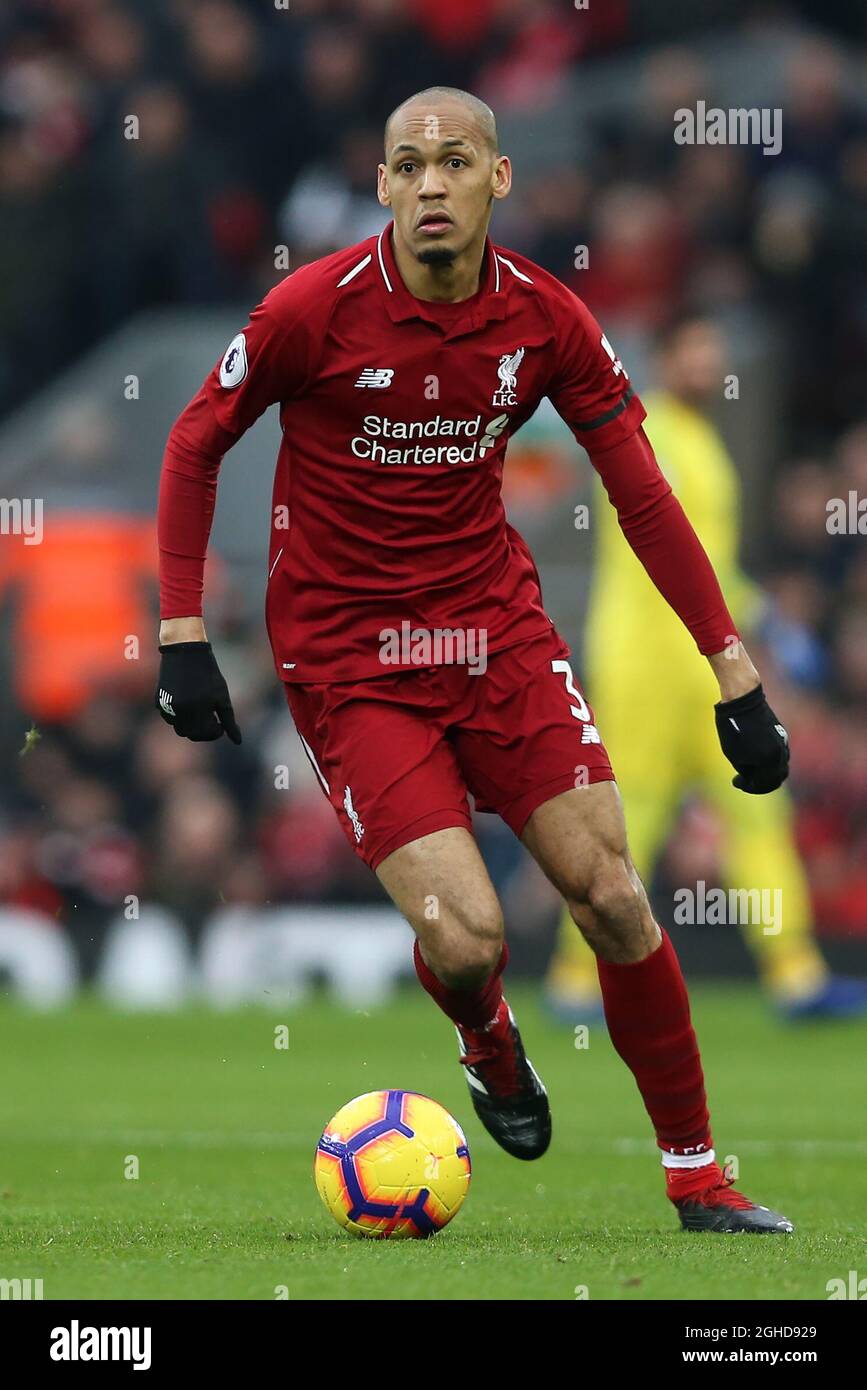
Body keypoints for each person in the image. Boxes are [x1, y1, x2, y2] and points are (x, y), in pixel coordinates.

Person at [155, 87, 792, 1233]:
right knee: (467, 936)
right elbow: (196, 438)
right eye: (409, 165)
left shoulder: (546, 320)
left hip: (493, 636)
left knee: (610, 892)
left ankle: (699, 1178)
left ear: (498, 180)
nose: (432, 183)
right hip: (353, 660)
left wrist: (731, 666)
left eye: (456, 162)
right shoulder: (316, 308)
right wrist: (183, 630)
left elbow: (640, 491)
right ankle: (488, 1039)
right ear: (385, 186)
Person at [545, 316, 867, 1022]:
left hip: (701, 672)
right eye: (693, 351)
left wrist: (758, 621)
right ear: (663, 357)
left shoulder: (699, 440)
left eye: (713, 352)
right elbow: (677, 550)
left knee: (755, 810)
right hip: (644, 667)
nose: (707, 364)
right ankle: (575, 981)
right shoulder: (647, 433)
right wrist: (765, 616)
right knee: (624, 825)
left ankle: (795, 975)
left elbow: (706, 563)